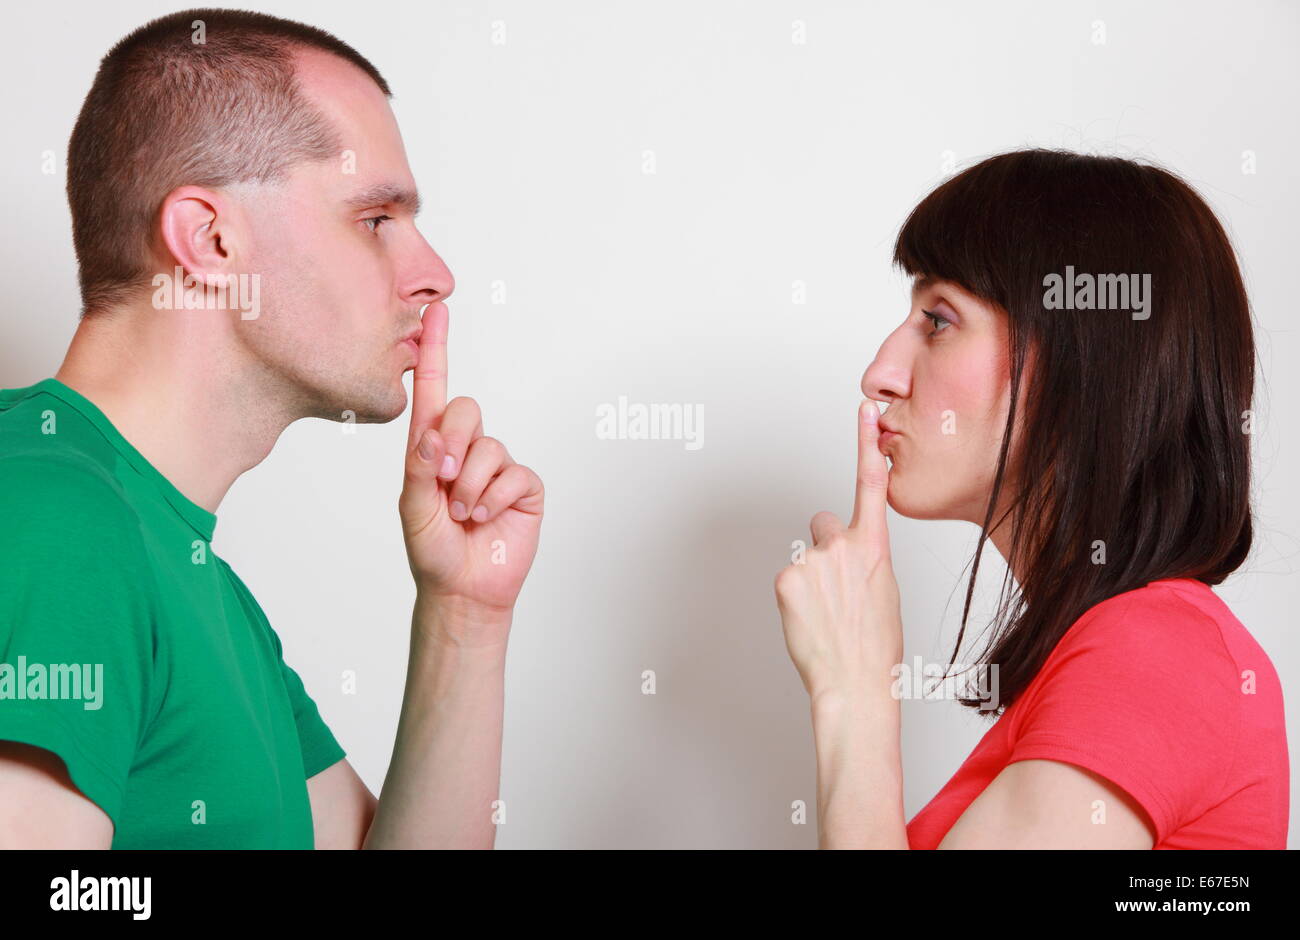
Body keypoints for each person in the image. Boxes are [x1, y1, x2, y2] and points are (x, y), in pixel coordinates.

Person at [0, 9, 543, 848]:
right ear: (210, 240)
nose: (436, 275)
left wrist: (465, 615)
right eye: (376, 220)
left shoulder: (194, 579)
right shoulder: (53, 520)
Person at [774, 148, 1288, 849]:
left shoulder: (1159, 652)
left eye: (939, 319)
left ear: (1082, 358)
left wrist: (853, 696)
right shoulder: (1126, 651)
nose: (881, 374)